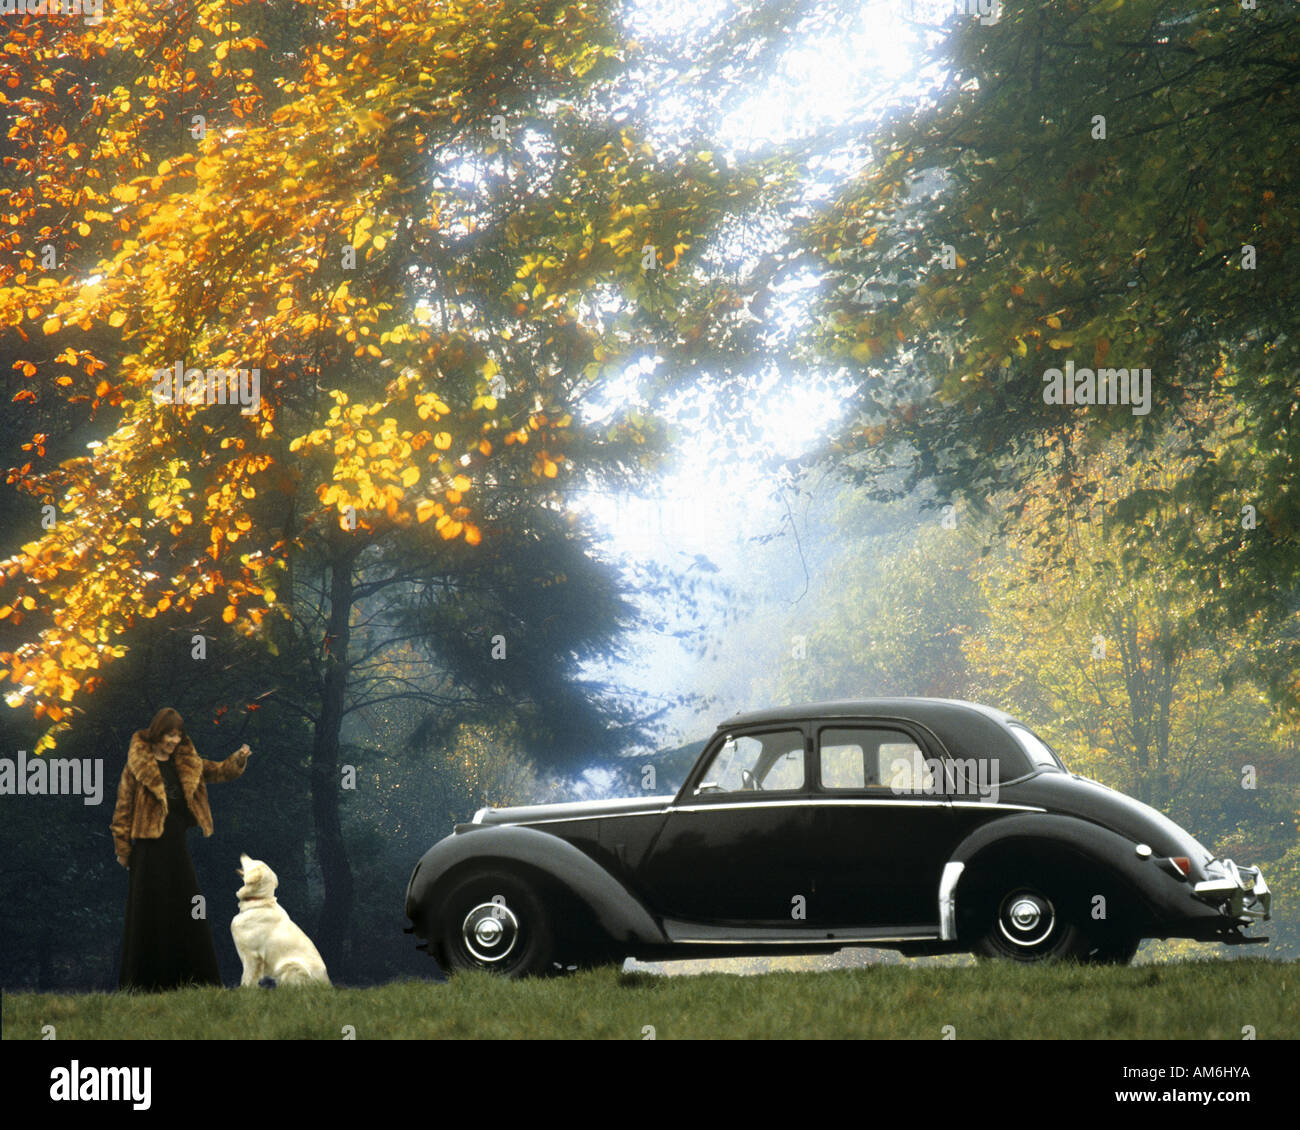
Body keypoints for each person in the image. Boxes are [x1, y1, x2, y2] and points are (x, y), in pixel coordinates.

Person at [111, 707, 251, 990]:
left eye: (177, 736)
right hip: (148, 851)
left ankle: (194, 983)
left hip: (176, 849)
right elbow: (123, 810)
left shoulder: (187, 763)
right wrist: (123, 850)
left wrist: (237, 759)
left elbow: (218, 771)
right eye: (168, 735)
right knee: (148, 915)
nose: (173, 741)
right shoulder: (137, 767)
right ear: (157, 733)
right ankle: (144, 985)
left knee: (188, 911)